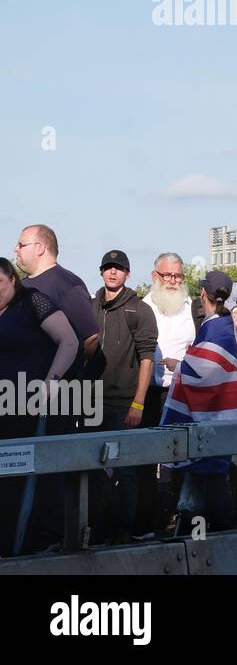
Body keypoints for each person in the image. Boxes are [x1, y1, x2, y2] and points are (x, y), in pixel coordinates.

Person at [0, 257, 79, 556]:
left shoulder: (33, 301)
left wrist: (51, 381)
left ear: (12, 280)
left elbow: (69, 342)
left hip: (35, 407)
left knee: (29, 482)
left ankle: (28, 546)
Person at [160, 271, 237, 536]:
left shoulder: (217, 326)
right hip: (218, 416)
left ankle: (221, 533)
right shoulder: (222, 323)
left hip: (214, 418)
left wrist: (181, 364)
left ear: (204, 294)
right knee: (206, 478)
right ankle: (203, 533)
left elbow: (207, 369)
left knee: (213, 478)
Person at [90, 250, 159, 543]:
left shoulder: (140, 310)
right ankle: (94, 529)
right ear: (102, 272)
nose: (113, 272)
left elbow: (147, 358)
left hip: (124, 403)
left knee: (126, 471)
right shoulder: (90, 306)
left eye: (118, 268)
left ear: (128, 274)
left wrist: (138, 402)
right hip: (90, 402)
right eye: (108, 268)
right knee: (91, 469)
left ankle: (123, 532)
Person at [141, 253, 195, 537]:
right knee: (148, 459)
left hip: (182, 391)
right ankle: (148, 520)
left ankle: (181, 515)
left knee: (182, 456)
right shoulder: (143, 307)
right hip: (150, 393)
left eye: (178, 276)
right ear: (155, 277)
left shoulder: (191, 307)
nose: (173, 281)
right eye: (167, 276)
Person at [14, 224, 99, 378]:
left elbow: (90, 339)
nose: (15, 249)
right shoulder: (22, 286)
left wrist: (66, 370)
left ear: (40, 248)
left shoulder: (68, 285)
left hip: (56, 392)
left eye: (21, 245)